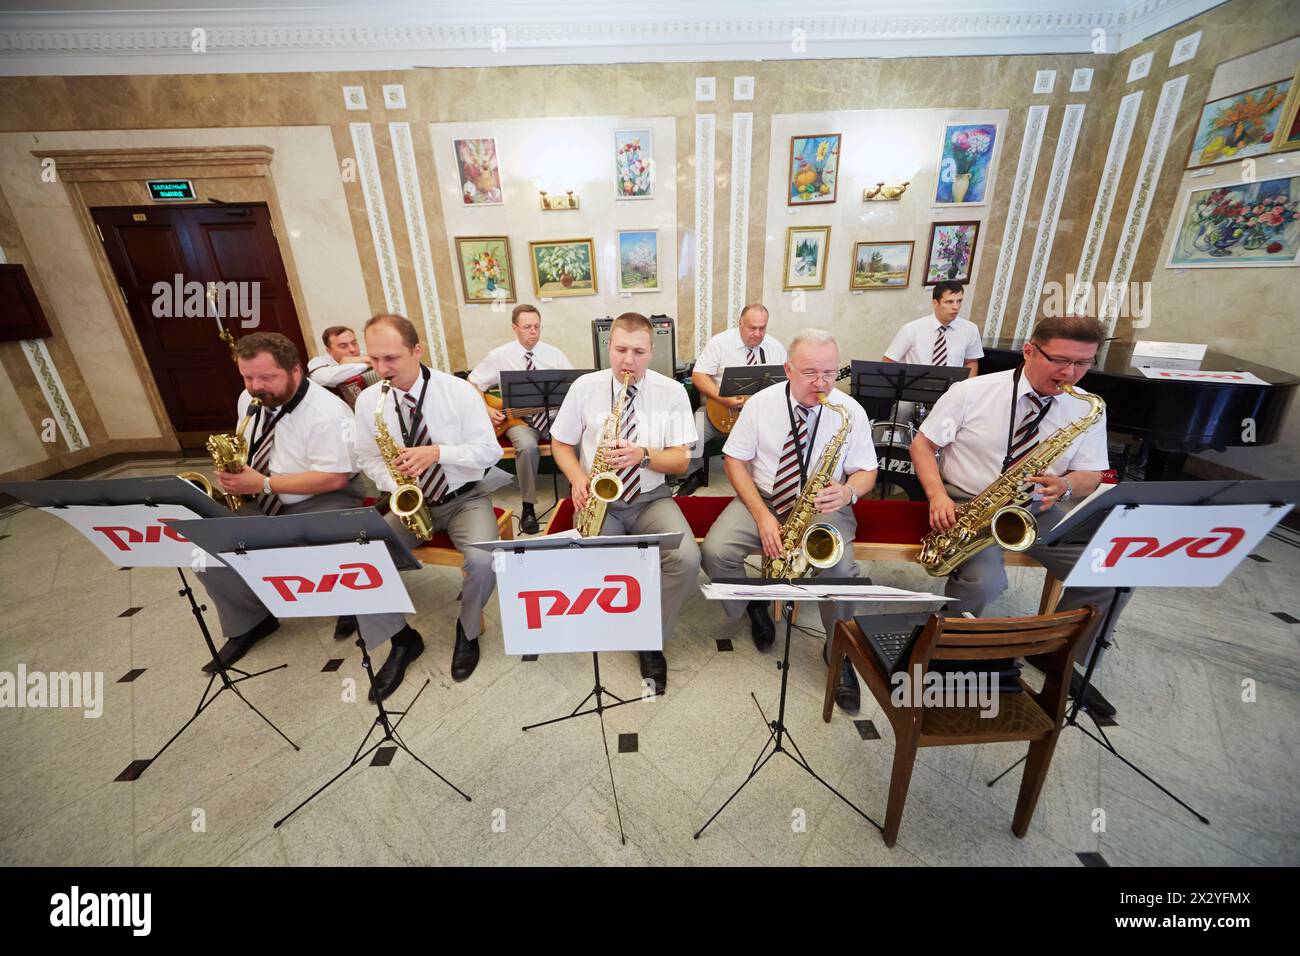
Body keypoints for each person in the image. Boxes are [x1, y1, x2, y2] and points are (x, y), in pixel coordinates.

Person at [909, 314, 1125, 717]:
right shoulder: (972, 392)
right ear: (1029, 350)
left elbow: (1093, 472)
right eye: (1060, 360)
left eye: (1082, 364)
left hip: (1037, 507)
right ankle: (947, 646)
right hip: (967, 499)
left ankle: (1059, 653)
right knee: (985, 581)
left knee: (1112, 567)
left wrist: (1065, 486)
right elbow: (922, 446)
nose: (1070, 374)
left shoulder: (1087, 408)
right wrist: (937, 495)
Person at [701, 329, 879, 713]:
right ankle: (754, 605)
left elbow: (867, 471)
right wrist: (763, 516)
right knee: (716, 552)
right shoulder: (761, 404)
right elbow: (734, 461)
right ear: (788, 369)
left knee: (841, 568)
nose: (822, 384)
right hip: (764, 497)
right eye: (811, 372)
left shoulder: (850, 411)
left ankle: (839, 651)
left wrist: (848, 493)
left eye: (830, 373)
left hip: (823, 503)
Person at [193, 332, 365, 671]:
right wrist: (234, 474)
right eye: (247, 376)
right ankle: (252, 621)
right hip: (262, 493)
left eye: (266, 377)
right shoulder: (250, 398)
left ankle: (351, 602)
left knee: (325, 532)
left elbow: (335, 478)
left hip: (323, 496)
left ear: (295, 371)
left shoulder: (328, 412)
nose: (255, 386)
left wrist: (265, 483)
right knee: (204, 552)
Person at [549, 312, 701, 695]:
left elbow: (682, 459)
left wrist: (643, 456)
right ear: (608, 347)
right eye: (620, 350)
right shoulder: (585, 387)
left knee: (687, 559)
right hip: (600, 498)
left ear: (652, 352)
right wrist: (578, 478)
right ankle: (609, 615)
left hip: (651, 497)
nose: (627, 361)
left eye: (637, 352)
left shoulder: (672, 392)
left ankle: (651, 638)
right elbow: (561, 444)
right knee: (586, 556)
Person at [352, 314, 504, 697]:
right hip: (406, 502)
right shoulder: (370, 400)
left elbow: (489, 451)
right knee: (361, 561)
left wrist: (437, 453)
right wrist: (396, 484)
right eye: (374, 360)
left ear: (417, 351)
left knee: (485, 561)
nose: (382, 370)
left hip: (464, 498)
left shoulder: (458, 392)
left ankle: (467, 629)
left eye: (392, 358)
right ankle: (402, 640)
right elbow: (368, 458)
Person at [468, 304, 574, 534]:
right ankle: (528, 506)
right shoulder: (499, 356)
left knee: (577, 437)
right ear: (515, 328)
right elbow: (472, 382)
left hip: (554, 417)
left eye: (537, 326)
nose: (533, 331)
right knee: (526, 447)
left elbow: (573, 386)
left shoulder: (553, 354)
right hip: (519, 421)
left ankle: (578, 496)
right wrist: (486, 407)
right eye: (527, 327)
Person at [679, 303, 787, 497]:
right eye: (752, 328)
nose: (757, 333)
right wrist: (723, 398)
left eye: (762, 328)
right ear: (740, 324)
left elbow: (785, 383)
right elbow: (699, 376)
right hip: (720, 409)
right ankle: (693, 473)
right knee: (693, 430)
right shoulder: (720, 343)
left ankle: (767, 479)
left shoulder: (776, 348)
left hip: (760, 417)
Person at [881, 281, 983, 429]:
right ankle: (897, 442)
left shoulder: (970, 329)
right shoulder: (912, 329)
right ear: (935, 302)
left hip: (951, 392)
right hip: (914, 393)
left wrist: (969, 390)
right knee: (903, 408)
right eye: (949, 302)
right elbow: (888, 362)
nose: (955, 307)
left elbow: (971, 362)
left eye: (959, 301)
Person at [306, 325, 378, 409]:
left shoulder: (364, 356)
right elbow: (326, 378)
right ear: (329, 351)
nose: (352, 349)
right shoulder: (318, 362)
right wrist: (368, 363)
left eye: (354, 343)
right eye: (343, 346)